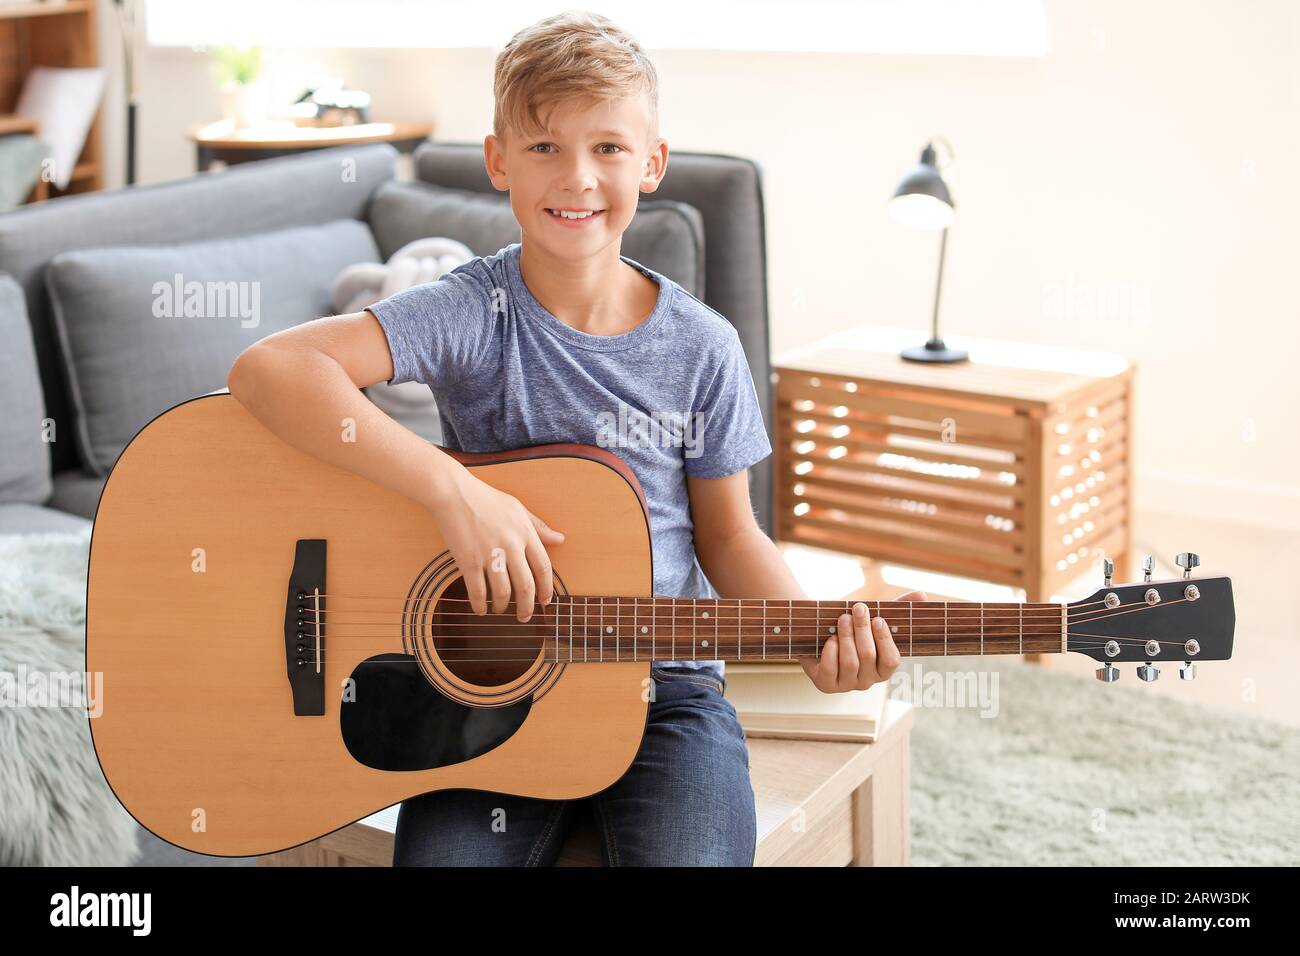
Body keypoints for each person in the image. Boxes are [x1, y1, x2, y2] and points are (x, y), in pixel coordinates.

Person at [227, 10, 924, 867]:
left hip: (666, 692)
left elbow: (729, 534)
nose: (578, 178)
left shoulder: (702, 346)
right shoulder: (470, 311)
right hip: (482, 694)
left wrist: (810, 643)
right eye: (545, 148)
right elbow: (269, 370)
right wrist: (456, 493)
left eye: (609, 149)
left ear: (653, 164)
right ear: (498, 163)